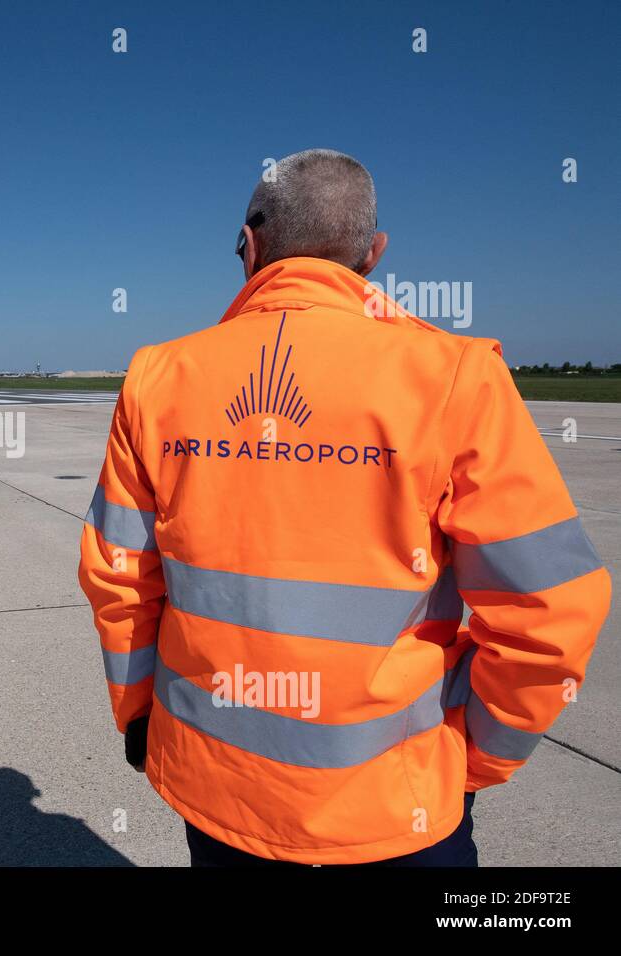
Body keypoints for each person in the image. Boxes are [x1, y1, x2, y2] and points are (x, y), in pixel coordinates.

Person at [77, 148, 611, 866]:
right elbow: (549, 607)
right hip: (398, 803)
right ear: (374, 253)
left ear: (250, 243)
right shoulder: (455, 378)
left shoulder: (158, 378)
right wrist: (478, 757)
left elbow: (119, 579)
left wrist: (140, 713)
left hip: (216, 788)